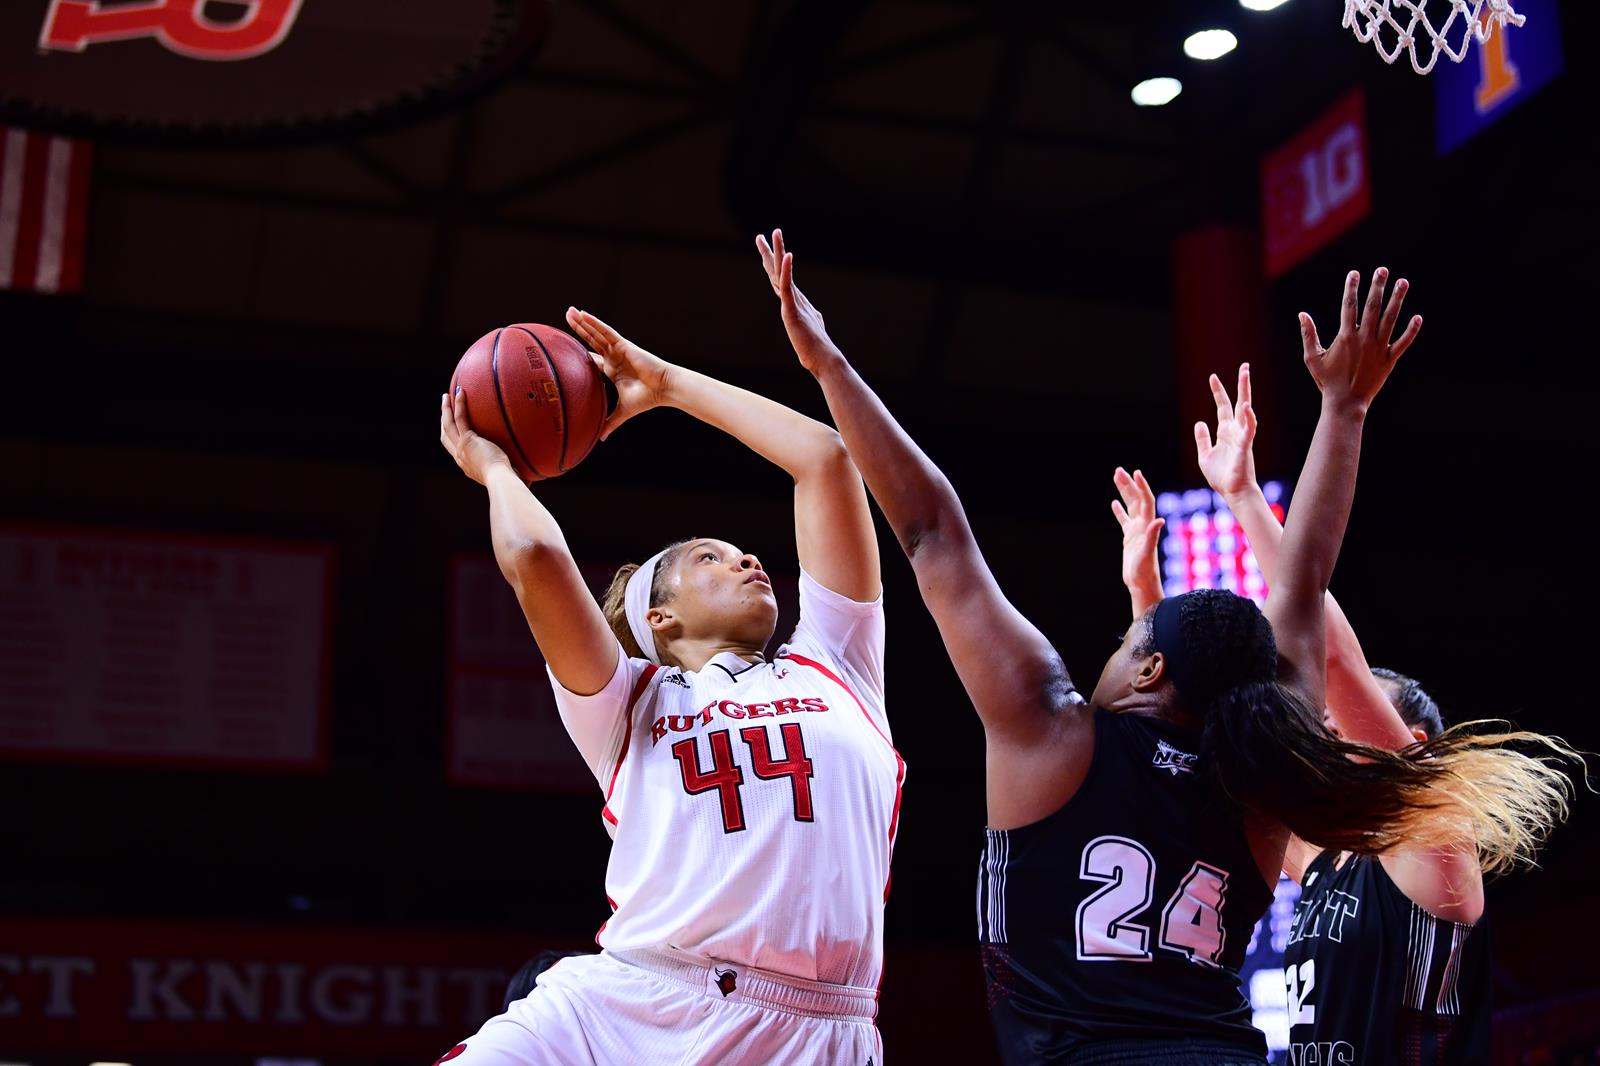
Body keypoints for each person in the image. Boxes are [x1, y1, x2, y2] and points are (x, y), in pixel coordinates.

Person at [758, 229, 1557, 1064]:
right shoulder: (1254, 788)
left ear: (1149, 666)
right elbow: (1304, 584)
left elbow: (931, 531)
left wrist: (830, 368)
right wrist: (1344, 413)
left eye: (1126, 635)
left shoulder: (1053, 729)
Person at [434, 304, 901, 1064]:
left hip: (814, 1030)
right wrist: (493, 468)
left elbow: (825, 459)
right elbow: (533, 556)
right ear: (662, 617)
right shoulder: (627, 702)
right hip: (631, 1002)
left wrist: (668, 384)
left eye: (743, 552)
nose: (748, 560)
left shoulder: (837, 662)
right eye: (709, 559)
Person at [1171, 364, 1576, 1065]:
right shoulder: (1326, 859)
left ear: (1409, 744)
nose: (1327, 723)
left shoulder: (1436, 849)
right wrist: (1148, 593)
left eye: (1345, 717)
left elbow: (1328, 656)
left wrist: (1248, 494)